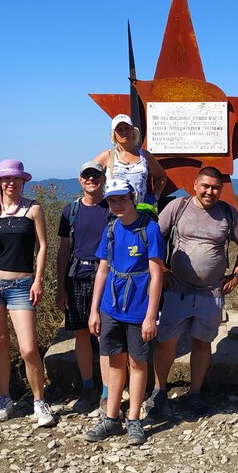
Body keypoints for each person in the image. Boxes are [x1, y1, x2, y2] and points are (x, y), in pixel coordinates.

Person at [147, 166, 238, 418]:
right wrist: (162, 269)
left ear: (221, 189)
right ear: (195, 184)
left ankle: (195, 393)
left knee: (203, 343)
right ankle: (159, 391)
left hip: (211, 292)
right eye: (205, 186)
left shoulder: (227, 212)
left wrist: (236, 274)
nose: (209, 192)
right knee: (166, 342)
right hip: (177, 289)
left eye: (215, 188)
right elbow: (154, 237)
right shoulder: (178, 207)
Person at [85, 179, 165, 446]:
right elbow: (102, 270)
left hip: (138, 308)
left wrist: (151, 316)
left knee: (138, 362)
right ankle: (111, 418)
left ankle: (133, 419)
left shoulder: (149, 229)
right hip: (111, 306)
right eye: (112, 200)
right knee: (115, 361)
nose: (118, 204)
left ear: (132, 198)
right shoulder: (110, 229)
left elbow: (156, 275)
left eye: (122, 199)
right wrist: (94, 310)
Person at [0, 159, 54, 428]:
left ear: (23, 181)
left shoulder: (34, 209)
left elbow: (42, 246)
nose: (10, 183)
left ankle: (39, 401)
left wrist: (38, 279)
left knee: (28, 348)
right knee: (0, 344)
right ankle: (4, 400)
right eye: (6, 178)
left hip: (22, 286)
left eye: (15, 178)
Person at [56, 160, 110, 414]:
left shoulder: (112, 208)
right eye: (87, 176)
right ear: (80, 180)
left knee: (105, 334)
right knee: (81, 333)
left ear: (103, 179)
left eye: (96, 176)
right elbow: (63, 250)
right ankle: (88, 388)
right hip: (77, 276)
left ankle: (108, 392)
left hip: (107, 277)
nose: (91, 180)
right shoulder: (71, 211)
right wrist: (60, 288)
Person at [92, 114, 168, 209]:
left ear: (133, 131)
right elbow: (87, 175)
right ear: (114, 134)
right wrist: (99, 198)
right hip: (115, 211)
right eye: (120, 130)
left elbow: (161, 176)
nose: (124, 132)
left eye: (127, 128)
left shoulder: (145, 156)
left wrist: (155, 196)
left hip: (139, 211)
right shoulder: (107, 156)